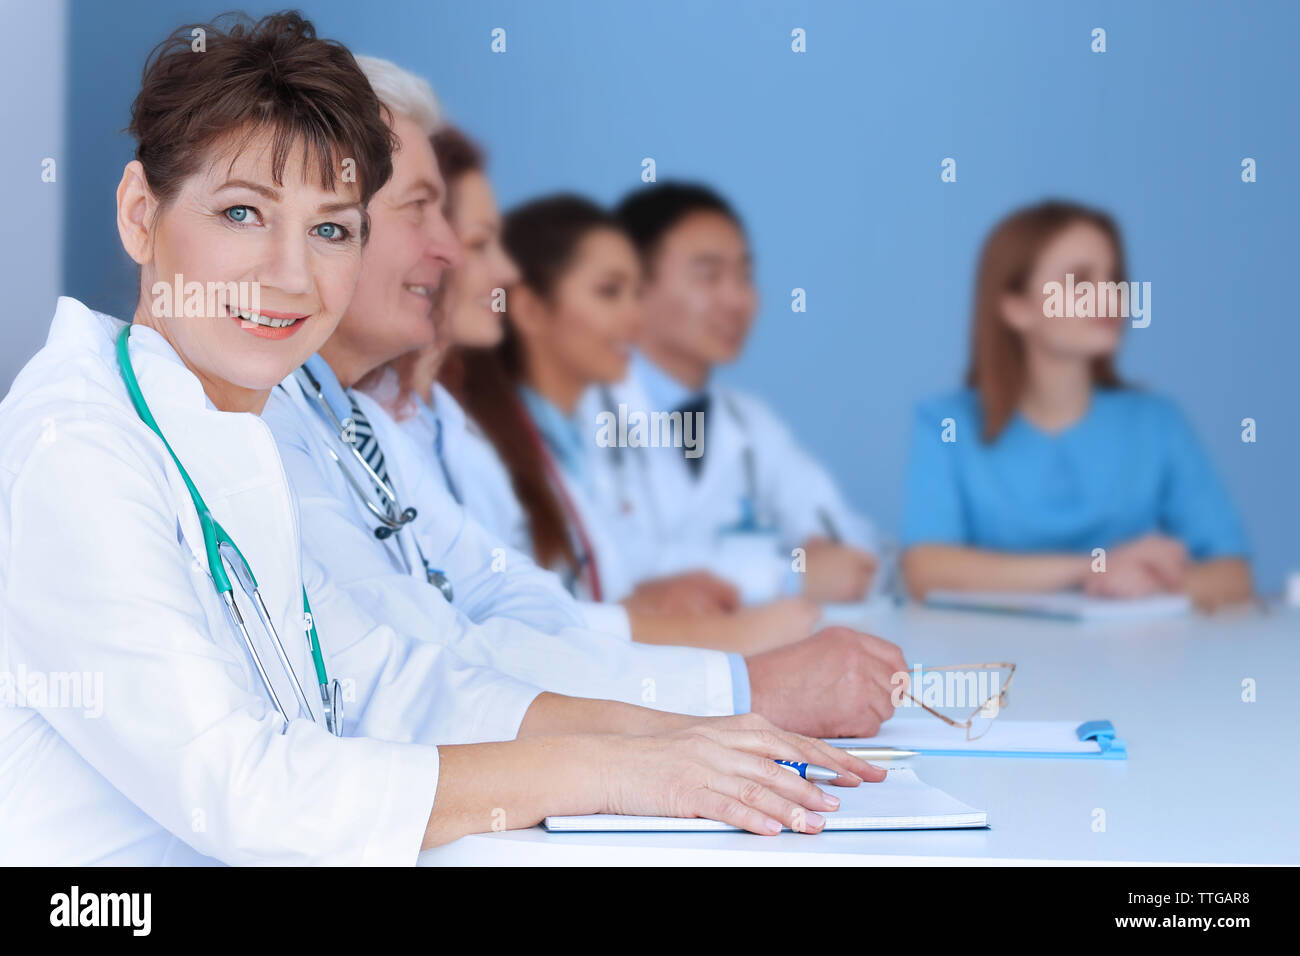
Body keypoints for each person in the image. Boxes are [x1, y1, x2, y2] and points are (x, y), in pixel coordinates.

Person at [0, 13, 877, 865]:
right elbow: (243, 789)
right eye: (241, 213)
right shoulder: (77, 449)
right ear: (138, 214)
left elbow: (391, 684)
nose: (291, 273)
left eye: (332, 229)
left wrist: (706, 735)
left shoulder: (226, 427)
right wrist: (621, 768)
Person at [261, 58, 907, 737]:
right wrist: (743, 681)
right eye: (423, 210)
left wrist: (730, 663)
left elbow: (508, 600)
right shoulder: (276, 421)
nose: (455, 253)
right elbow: (438, 661)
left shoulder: (362, 419)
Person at [383, 126, 818, 654]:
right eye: (610, 292)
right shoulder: (453, 434)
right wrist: (727, 636)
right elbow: (498, 632)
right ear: (533, 310)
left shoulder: (496, 429)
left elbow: (547, 603)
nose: (504, 270)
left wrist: (650, 604)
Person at [899, 200, 1252, 611]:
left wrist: (1146, 582)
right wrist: (1092, 569)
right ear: (1016, 306)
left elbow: (1233, 575)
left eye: (1114, 278)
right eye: (1079, 280)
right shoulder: (946, 423)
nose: (1109, 295)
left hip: (1135, 666)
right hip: (997, 664)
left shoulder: (1156, 422)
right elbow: (925, 570)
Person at [587, 182, 881, 605]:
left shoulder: (751, 421)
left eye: (745, 276)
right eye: (709, 276)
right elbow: (607, 569)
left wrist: (822, 550)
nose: (737, 299)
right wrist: (785, 574)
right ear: (635, 285)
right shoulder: (586, 408)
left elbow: (853, 544)